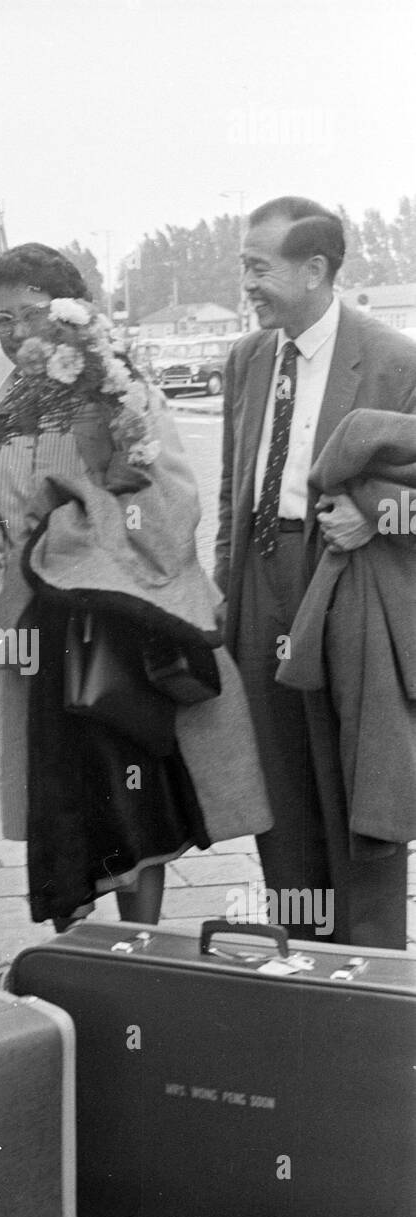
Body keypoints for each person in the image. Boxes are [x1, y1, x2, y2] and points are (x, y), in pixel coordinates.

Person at [0, 244, 271, 926]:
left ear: (69, 313)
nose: (16, 334)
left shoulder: (116, 394)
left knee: (129, 812)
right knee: (58, 820)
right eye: (0, 322)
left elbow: (171, 503)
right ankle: (82, 972)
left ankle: (136, 957)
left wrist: (69, 533)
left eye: (30, 314)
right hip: (26, 654)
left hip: (103, 643)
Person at [214, 196, 416, 948]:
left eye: (258, 267)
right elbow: (235, 489)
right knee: (279, 790)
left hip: (346, 583)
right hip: (262, 585)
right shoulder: (246, 359)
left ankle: (369, 977)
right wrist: (227, 592)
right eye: (244, 267)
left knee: (360, 787)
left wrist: (376, 514)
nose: (247, 284)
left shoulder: (394, 360)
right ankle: (300, 959)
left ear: (316, 269)